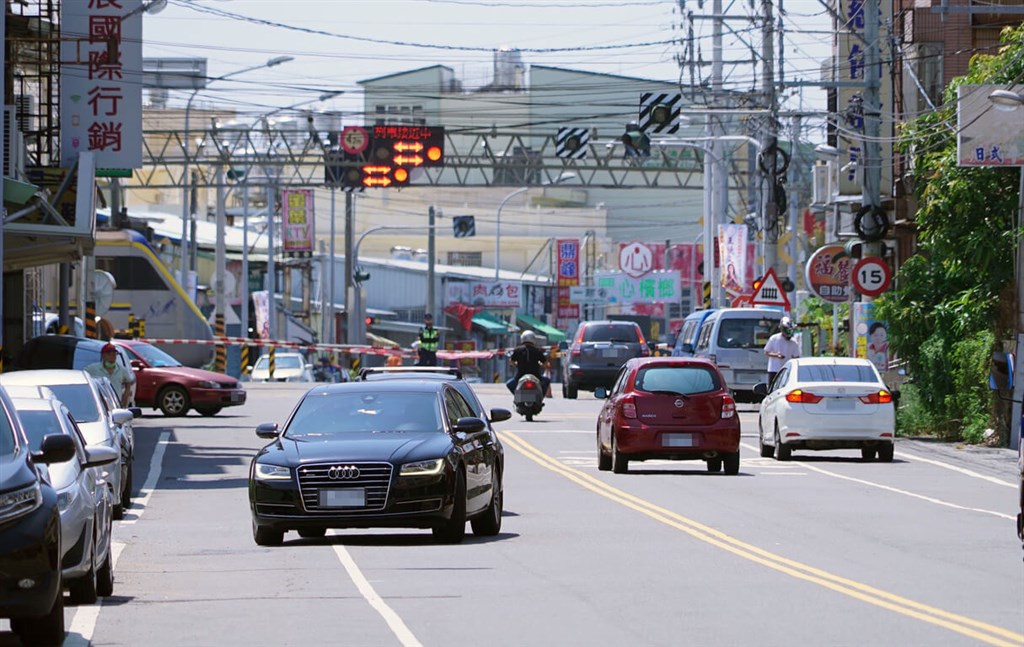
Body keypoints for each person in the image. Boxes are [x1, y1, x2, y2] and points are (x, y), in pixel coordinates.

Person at [86, 342, 135, 408]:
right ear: (103, 355)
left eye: (114, 353)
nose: (112, 355)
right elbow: (83, 377)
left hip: (116, 404)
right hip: (100, 405)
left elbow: (128, 382)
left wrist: (125, 397)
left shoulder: (121, 370)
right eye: (109, 353)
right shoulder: (93, 369)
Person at [506, 331, 551, 396]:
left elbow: (511, 361)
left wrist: (517, 365)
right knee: (546, 381)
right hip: (536, 376)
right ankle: (541, 397)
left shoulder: (517, 350)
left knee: (509, 384)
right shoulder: (537, 350)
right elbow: (546, 364)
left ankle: (517, 396)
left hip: (520, 376)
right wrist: (541, 365)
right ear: (533, 339)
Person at [764, 316, 801, 386]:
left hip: (787, 370)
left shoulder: (793, 342)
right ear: (782, 329)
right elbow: (766, 352)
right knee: (772, 389)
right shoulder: (774, 338)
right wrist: (777, 355)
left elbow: (796, 357)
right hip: (774, 370)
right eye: (788, 330)